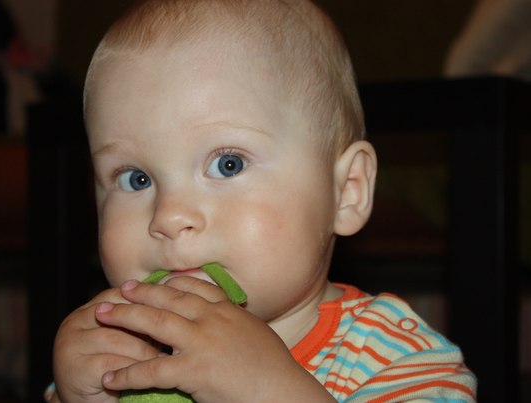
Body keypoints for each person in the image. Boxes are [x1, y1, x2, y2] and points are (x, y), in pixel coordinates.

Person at [48, 1, 477, 401]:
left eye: (228, 164)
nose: (170, 216)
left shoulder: (395, 358)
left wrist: (271, 390)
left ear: (347, 190)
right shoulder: (124, 354)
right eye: (135, 178)